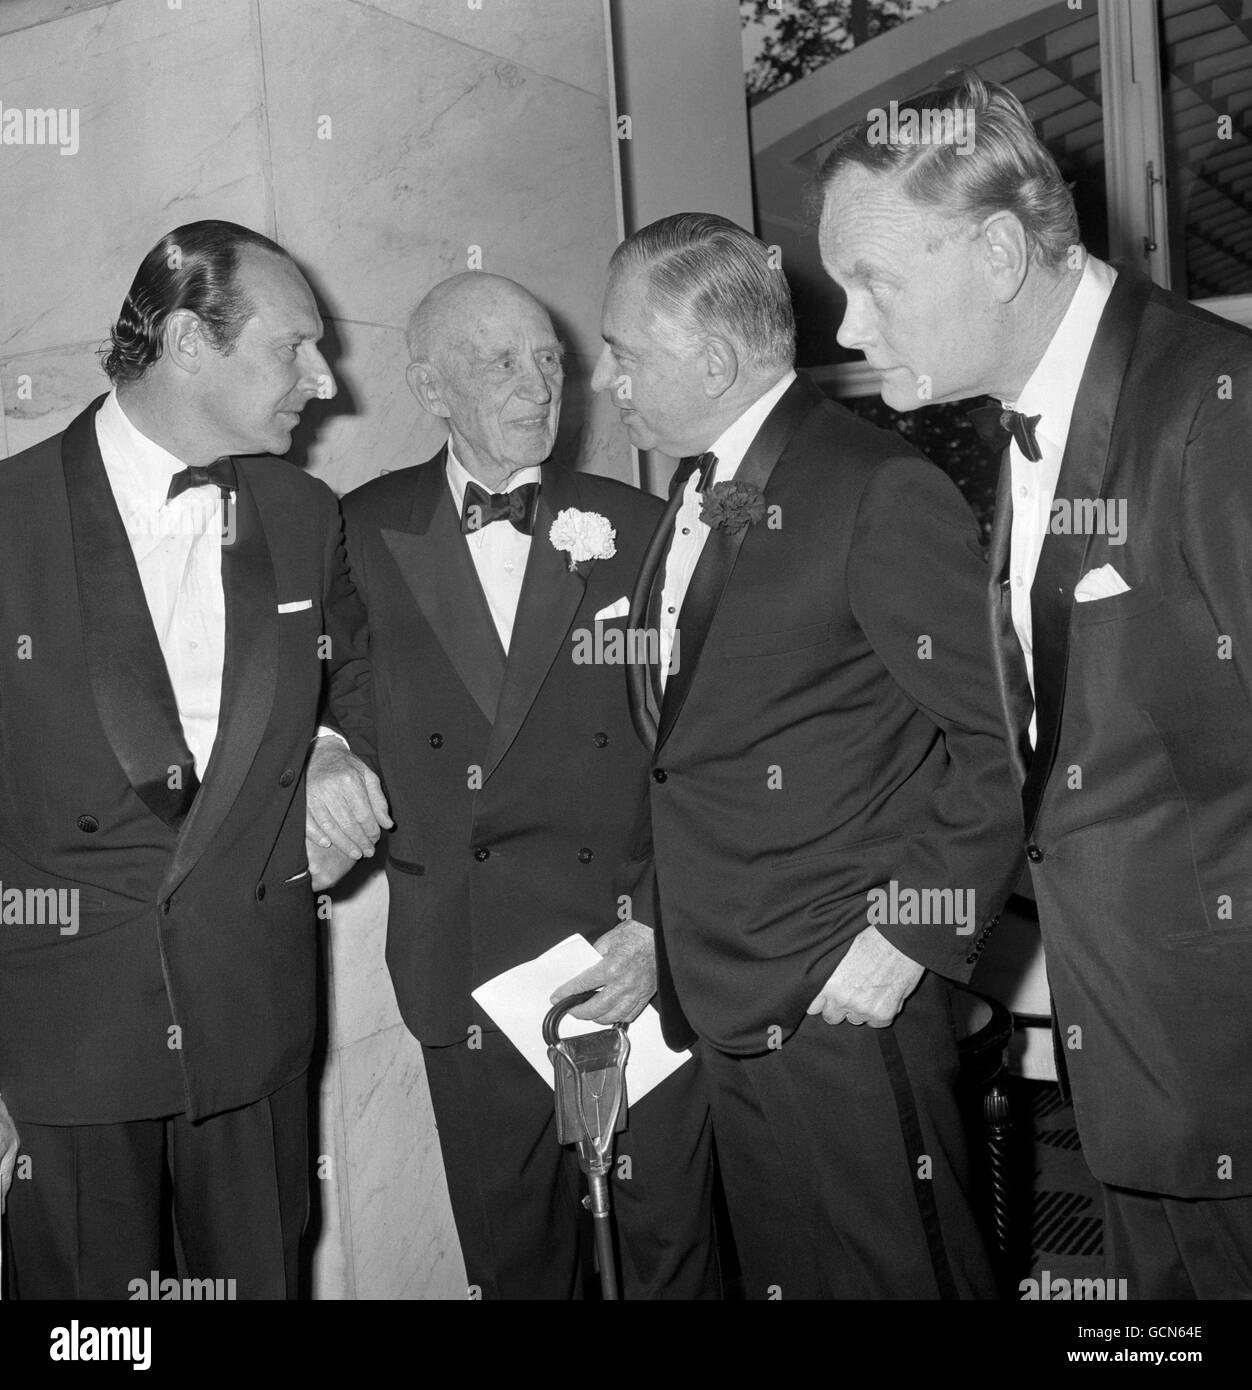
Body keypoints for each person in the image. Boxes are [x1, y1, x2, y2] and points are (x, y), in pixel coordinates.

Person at [817, 70, 1252, 1299]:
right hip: (1135, 1073)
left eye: (874, 282)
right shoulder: (1031, 419)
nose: (847, 329)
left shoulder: (1218, 407)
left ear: (1000, 251)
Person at [593, 213, 1022, 1299]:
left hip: (844, 996)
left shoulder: (875, 486)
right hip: (725, 995)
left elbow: (1003, 735)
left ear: (714, 358)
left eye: (623, 352)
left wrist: (909, 935)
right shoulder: (699, 487)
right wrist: (653, 919)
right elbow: (690, 753)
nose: (606, 379)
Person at [0, 220, 383, 1298]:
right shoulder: (6, 518)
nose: (323, 380)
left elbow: (349, 679)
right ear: (187, 342)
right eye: (295, 346)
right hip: (59, 1039)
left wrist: (328, 746)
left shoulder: (303, 514)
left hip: (251, 1018)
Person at [330, 271, 719, 1299]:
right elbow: (327, 700)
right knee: (516, 1263)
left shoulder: (642, 528)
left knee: (670, 1249)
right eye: (498, 360)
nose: (538, 383)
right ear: (429, 385)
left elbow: (708, 753)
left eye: (549, 357)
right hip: (466, 955)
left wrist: (664, 930)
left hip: (622, 947)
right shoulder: (360, 533)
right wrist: (330, 745)